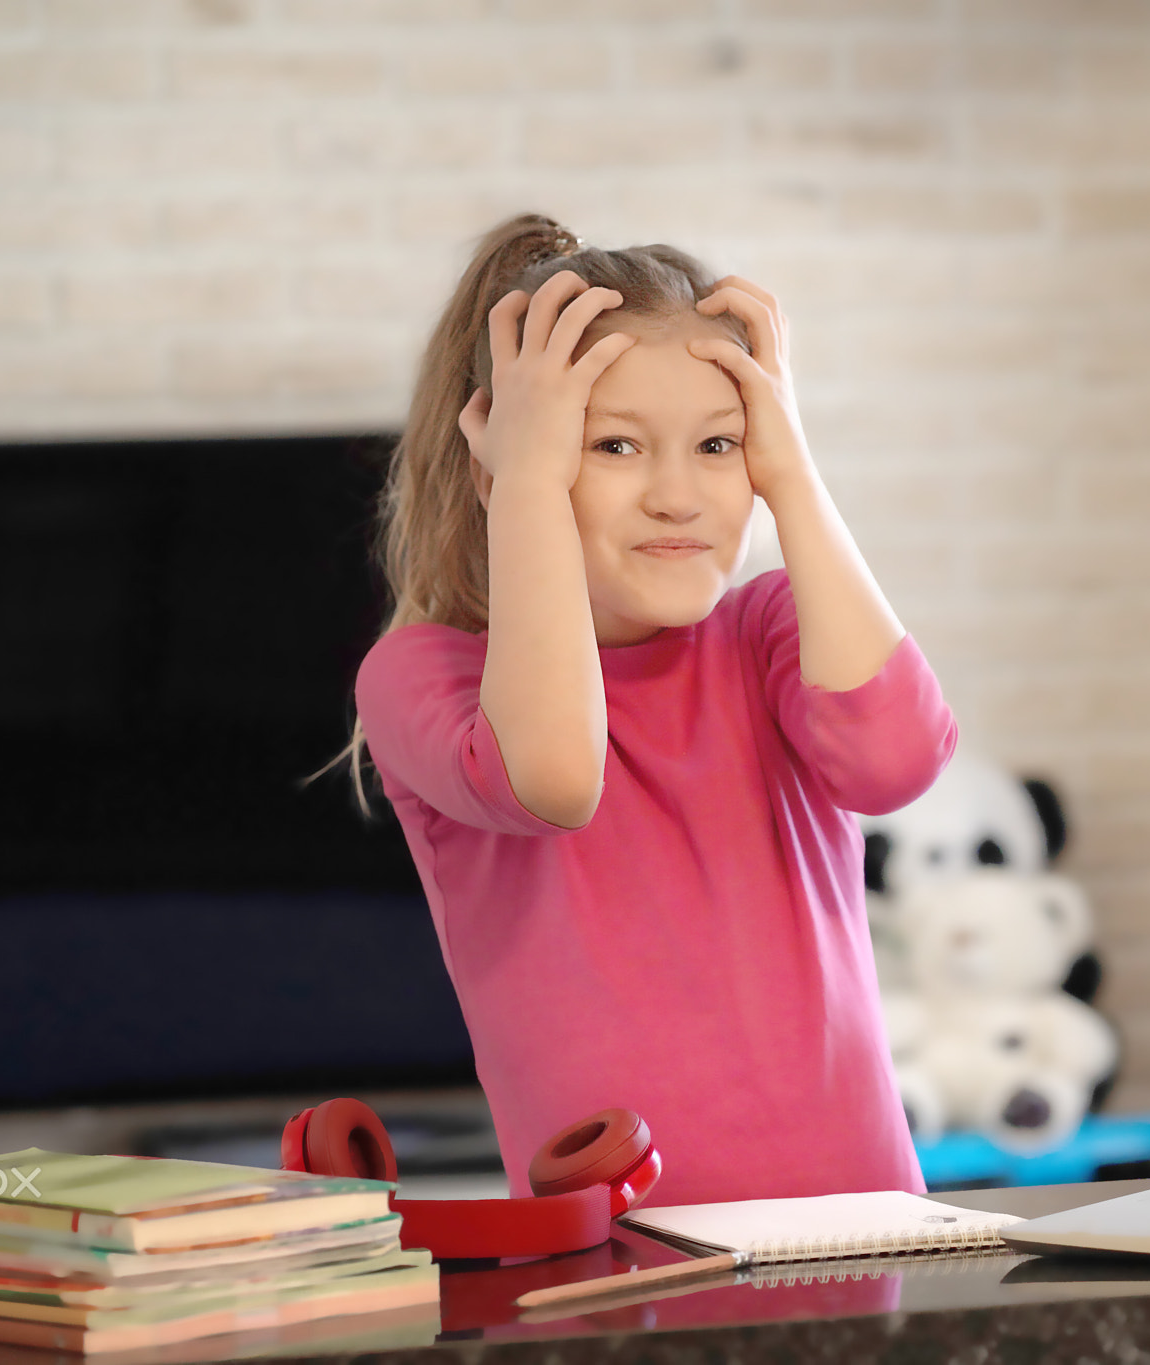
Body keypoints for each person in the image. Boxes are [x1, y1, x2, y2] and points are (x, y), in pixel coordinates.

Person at [352, 213, 957, 1206]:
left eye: (719, 444)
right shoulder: (422, 676)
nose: (680, 497)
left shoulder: (769, 634)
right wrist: (530, 487)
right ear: (495, 466)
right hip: (608, 1281)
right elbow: (551, 777)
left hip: (858, 1245)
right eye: (616, 445)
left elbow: (895, 762)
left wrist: (793, 474)